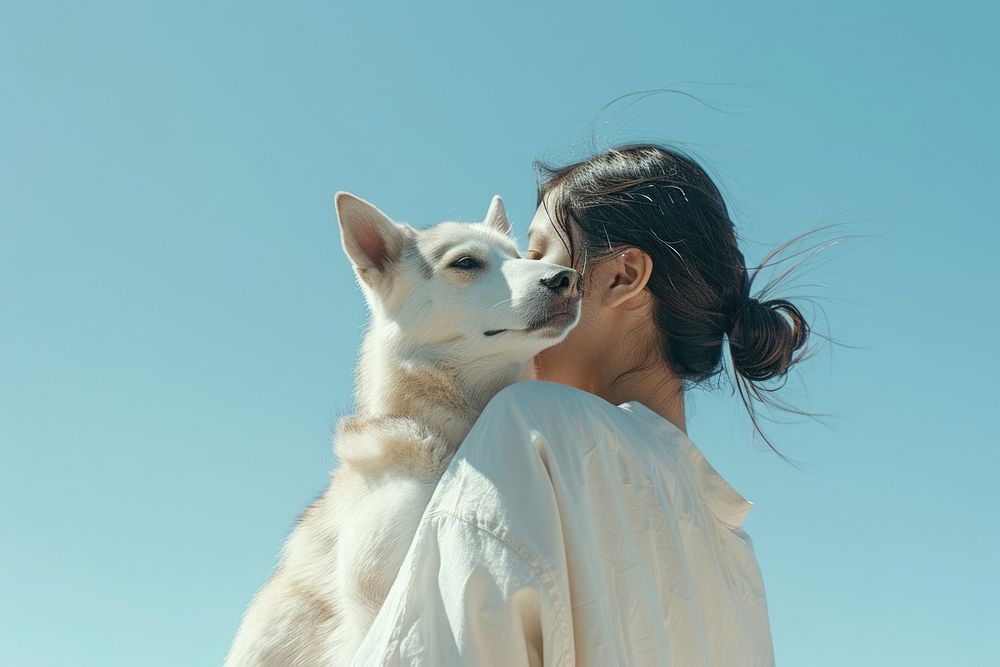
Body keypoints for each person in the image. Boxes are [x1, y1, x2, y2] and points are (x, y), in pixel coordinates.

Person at [351, 144, 809, 666]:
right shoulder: (730, 546)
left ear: (621, 277)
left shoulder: (535, 430)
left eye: (539, 254)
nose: (525, 277)